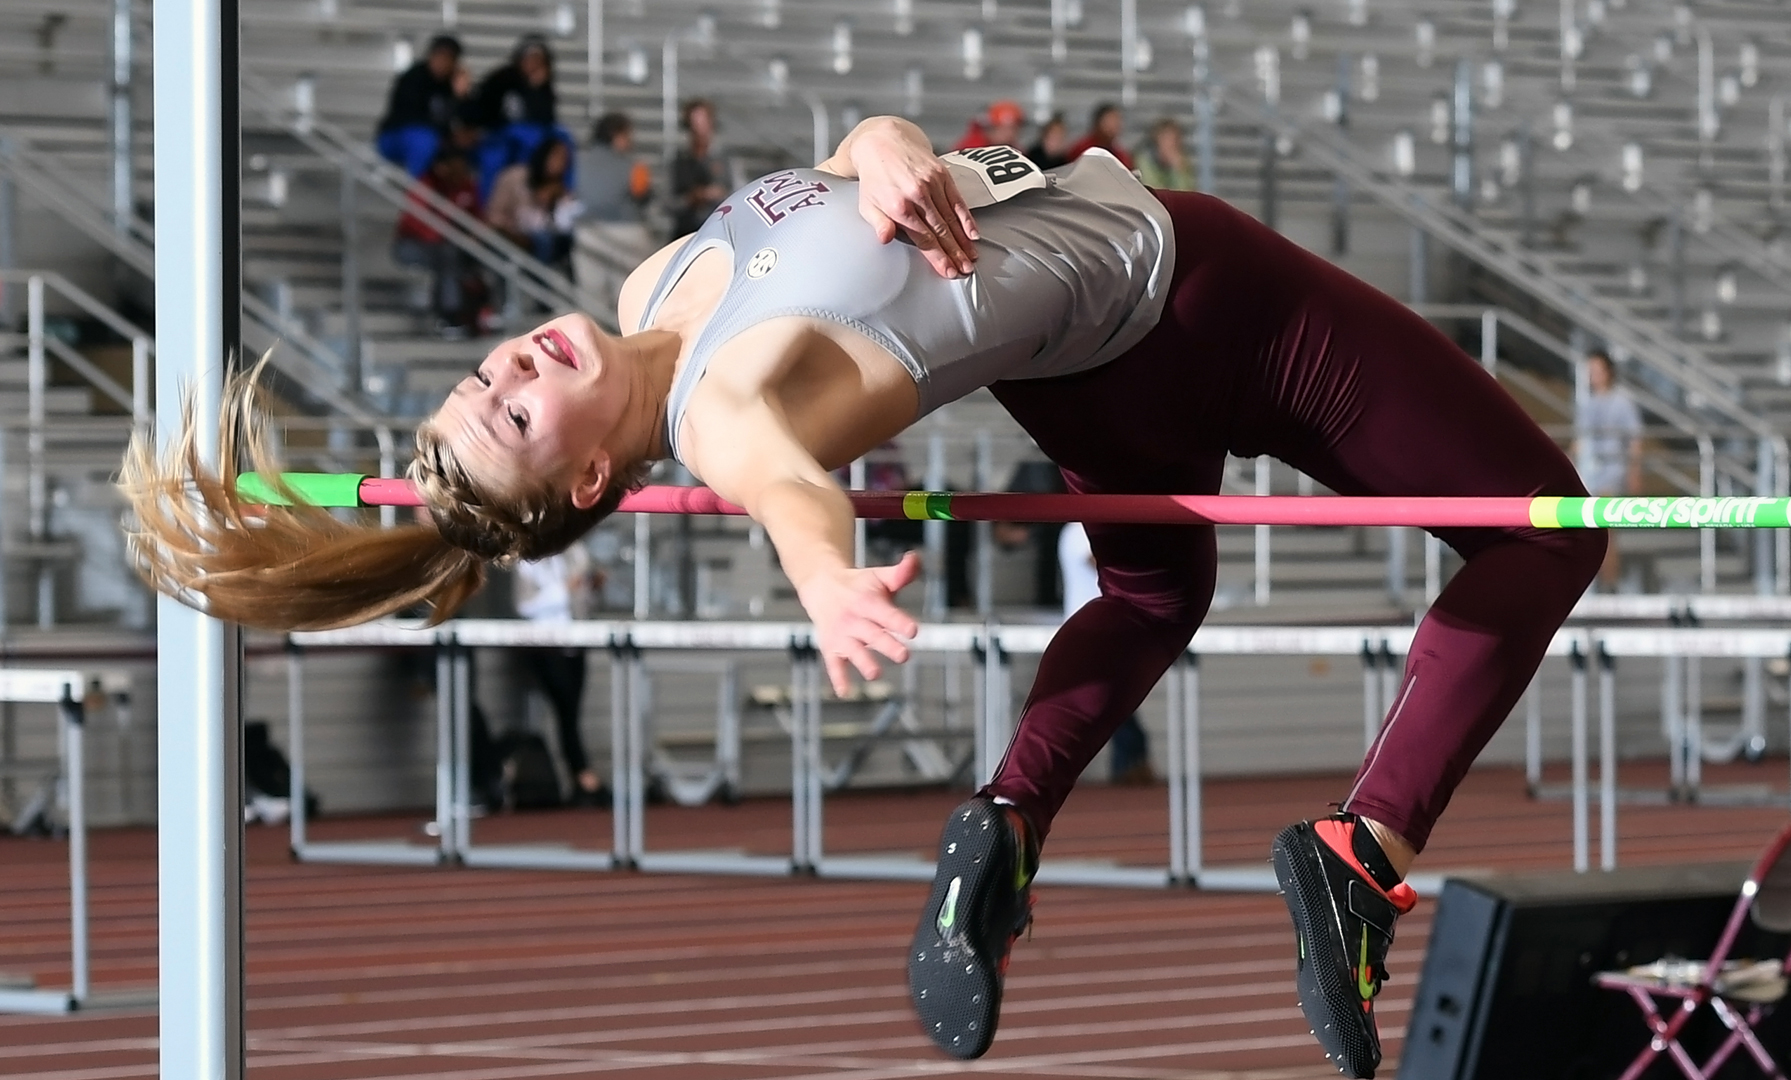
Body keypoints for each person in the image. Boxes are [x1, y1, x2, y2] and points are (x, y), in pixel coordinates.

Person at [123, 116, 1601, 1080]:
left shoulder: (651, 294)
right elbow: (781, 475)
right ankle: (1361, 849)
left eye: (483, 378)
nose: (512, 368)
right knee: (1548, 530)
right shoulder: (721, 411)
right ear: (589, 482)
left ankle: (1006, 823)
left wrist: (883, 143)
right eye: (513, 417)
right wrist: (826, 580)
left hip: (1093, 369)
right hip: (1207, 293)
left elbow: (831, 194)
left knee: (1156, 593)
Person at [1058, 521, 1153, 784]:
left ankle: (1128, 763)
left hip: (1105, 627)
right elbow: (1102, 564)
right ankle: (1130, 761)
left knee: (1113, 700)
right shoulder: (1077, 530)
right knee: (1108, 703)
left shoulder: (1094, 526)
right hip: (1088, 629)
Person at [513, 545, 609, 805]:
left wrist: (592, 587)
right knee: (566, 710)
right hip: (544, 646)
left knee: (571, 713)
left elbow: (584, 603)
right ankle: (582, 774)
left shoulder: (575, 553)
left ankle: (578, 779)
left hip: (574, 643)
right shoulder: (527, 560)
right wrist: (563, 589)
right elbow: (524, 606)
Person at [393, 149, 486, 335]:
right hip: (414, 245)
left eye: (463, 168)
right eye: (456, 168)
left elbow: (477, 217)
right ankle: (449, 315)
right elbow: (417, 225)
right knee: (448, 256)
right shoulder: (424, 187)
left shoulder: (466, 186)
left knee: (475, 258)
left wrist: (476, 236)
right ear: (441, 167)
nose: (461, 172)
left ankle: (484, 312)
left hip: (455, 246)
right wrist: (452, 236)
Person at [466, 35, 570, 200]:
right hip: (498, 135)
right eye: (529, 59)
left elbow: (546, 119)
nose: (532, 64)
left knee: (562, 142)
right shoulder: (501, 79)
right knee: (494, 158)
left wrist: (535, 90)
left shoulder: (544, 87)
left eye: (538, 60)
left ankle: (561, 198)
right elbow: (482, 110)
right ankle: (489, 205)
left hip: (530, 138)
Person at [573, 113, 657, 312]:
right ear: (616, 135)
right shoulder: (635, 166)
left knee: (592, 300)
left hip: (588, 233)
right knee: (629, 298)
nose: (631, 140)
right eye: (627, 135)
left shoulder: (579, 162)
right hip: (627, 232)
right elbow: (642, 194)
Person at [1574, 349, 1643, 591]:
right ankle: (1597, 586)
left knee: (1605, 531)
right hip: (1590, 472)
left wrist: (1634, 471)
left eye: (1597, 370)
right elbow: (1580, 440)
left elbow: (1634, 439)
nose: (1593, 376)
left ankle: (1609, 586)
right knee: (1591, 532)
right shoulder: (1587, 404)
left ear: (1608, 372)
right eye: (1590, 371)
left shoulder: (1622, 402)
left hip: (1612, 471)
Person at [485, 136, 580, 275]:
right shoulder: (514, 176)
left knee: (565, 240)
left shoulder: (560, 189)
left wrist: (555, 201)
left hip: (543, 239)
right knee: (542, 240)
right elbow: (494, 215)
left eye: (564, 159)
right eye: (556, 156)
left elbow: (563, 223)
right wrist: (513, 231)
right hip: (510, 234)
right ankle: (538, 280)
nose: (559, 163)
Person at [376, 34, 466, 178]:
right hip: (396, 136)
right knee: (423, 140)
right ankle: (414, 189)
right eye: (439, 56)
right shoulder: (413, 77)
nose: (442, 62)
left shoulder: (453, 84)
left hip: (436, 138)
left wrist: (461, 96)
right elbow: (411, 116)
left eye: (448, 58)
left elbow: (468, 120)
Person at [669, 98, 726, 239]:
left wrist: (718, 195)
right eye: (694, 125)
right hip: (685, 233)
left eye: (703, 124)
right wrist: (690, 199)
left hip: (717, 233)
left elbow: (738, 194)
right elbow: (667, 202)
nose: (699, 131)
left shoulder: (724, 160)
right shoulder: (678, 162)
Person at [1136, 117, 1197, 192]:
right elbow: (1153, 190)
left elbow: (1187, 192)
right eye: (1167, 139)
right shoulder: (1145, 159)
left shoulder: (1182, 161)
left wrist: (1178, 169)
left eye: (1175, 140)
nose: (1171, 144)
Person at [1067, 102, 1133, 169]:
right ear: (1098, 122)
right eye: (1110, 120)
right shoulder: (1082, 150)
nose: (1114, 126)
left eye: (1117, 121)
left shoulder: (1121, 156)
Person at [953, 99, 1025, 152]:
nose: (1009, 134)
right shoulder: (969, 150)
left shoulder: (1016, 150)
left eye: (1014, 129)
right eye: (1002, 130)